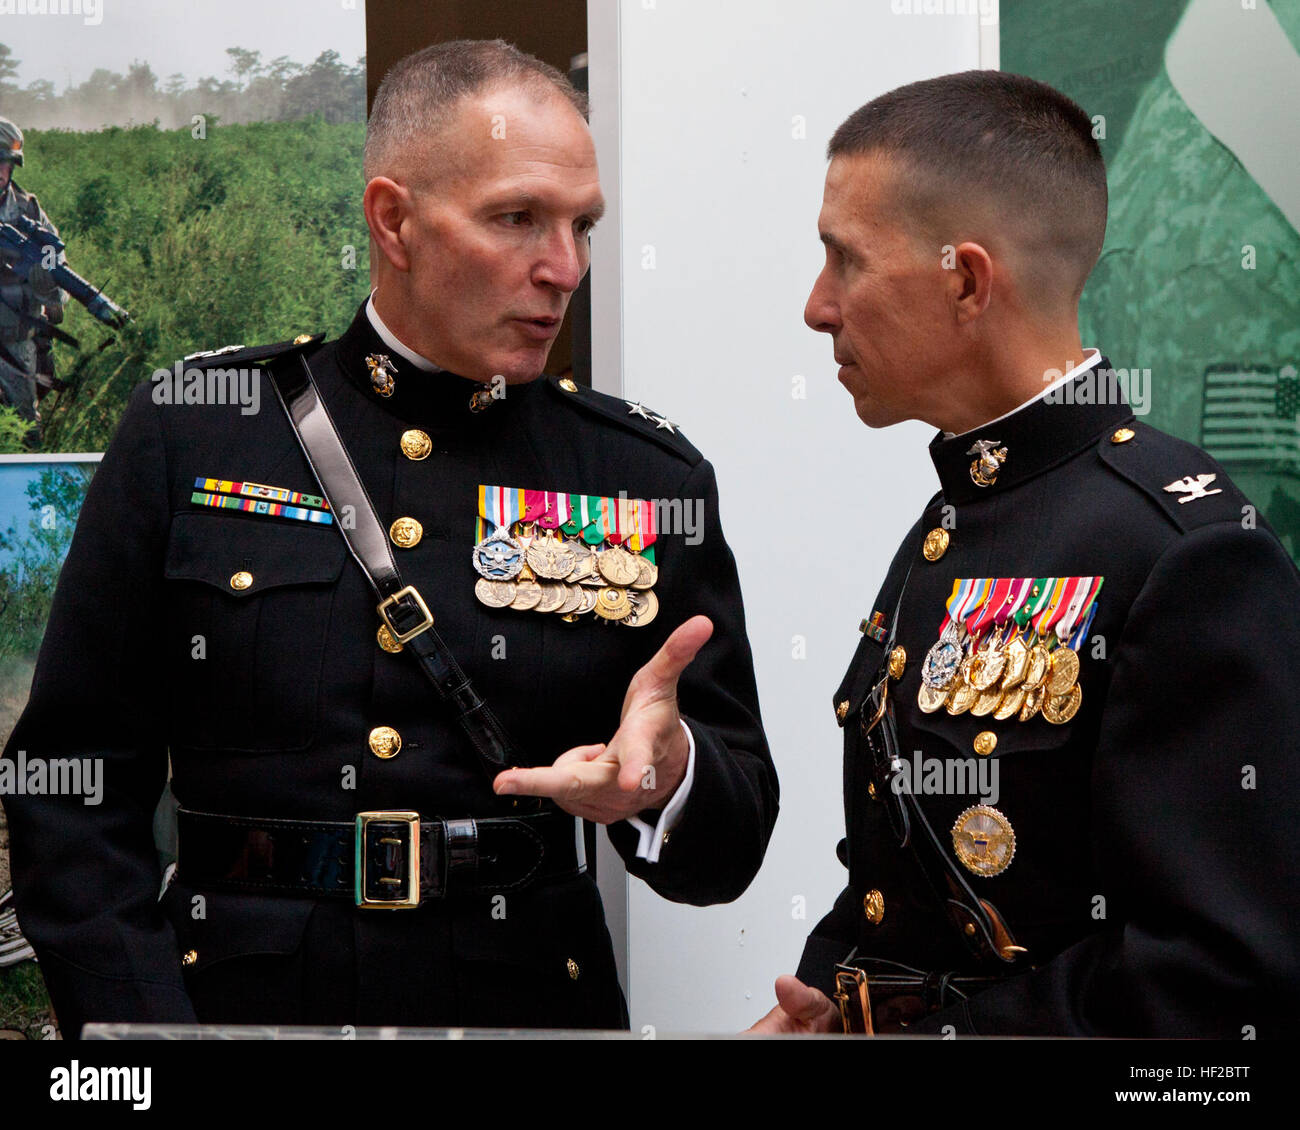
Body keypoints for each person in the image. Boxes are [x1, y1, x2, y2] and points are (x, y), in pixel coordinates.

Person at [0, 40, 777, 1037]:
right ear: (393, 220)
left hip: (529, 1007)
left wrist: (667, 775)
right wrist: (147, 1039)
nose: (566, 266)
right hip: (238, 1009)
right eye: (517, 219)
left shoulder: (642, 479)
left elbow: (733, 840)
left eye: (582, 226)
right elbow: (72, 787)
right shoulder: (196, 429)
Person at [750, 70, 1299, 1038]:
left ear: (964, 279)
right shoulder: (963, 513)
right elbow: (903, 881)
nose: (815, 305)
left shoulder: (1182, 548)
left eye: (844, 260)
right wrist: (826, 1008)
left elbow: (1216, 973)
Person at [0, 117, 65, 440]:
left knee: (25, 433)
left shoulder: (30, 215)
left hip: (16, 343)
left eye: (5, 164)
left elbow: (59, 286)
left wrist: (47, 288)